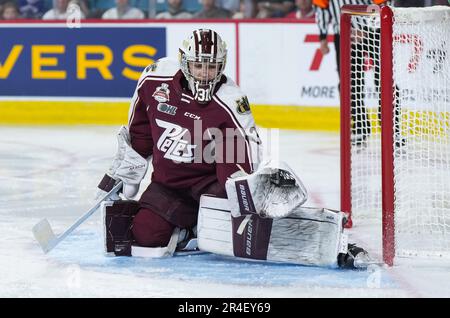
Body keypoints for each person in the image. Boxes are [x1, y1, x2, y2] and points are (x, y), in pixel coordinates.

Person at [98, 29, 370, 269]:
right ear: (184, 62)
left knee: (247, 230)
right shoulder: (154, 80)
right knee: (146, 243)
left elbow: (240, 161)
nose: (206, 74)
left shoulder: (230, 101)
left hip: (210, 186)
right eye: (199, 66)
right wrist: (125, 173)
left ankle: (331, 240)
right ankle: (188, 228)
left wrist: (245, 192)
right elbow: (141, 132)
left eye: (213, 67)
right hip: (167, 187)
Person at [314, 0, 404, 147]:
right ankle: (360, 126)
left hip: (374, 32)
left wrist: (368, 27)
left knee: (385, 80)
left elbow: (384, 4)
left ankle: (392, 129)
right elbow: (321, 6)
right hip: (343, 33)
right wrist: (322, 37)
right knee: (349, 84)